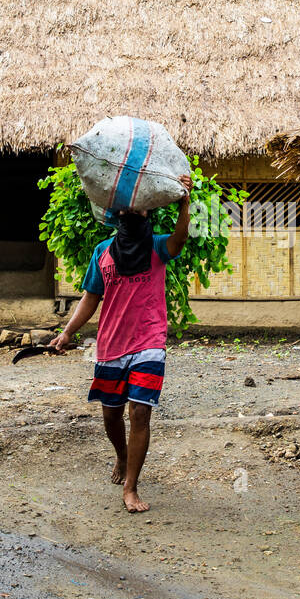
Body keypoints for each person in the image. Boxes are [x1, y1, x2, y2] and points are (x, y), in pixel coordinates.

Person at [49, 173, 193, 512]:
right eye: (129, 211)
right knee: (111, 417)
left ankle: (131, 487)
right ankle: (122, 455)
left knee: (140, 412)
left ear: (149, 214)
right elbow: (90, 298)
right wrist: (68, 331)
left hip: (149, 342)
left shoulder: (158, 247)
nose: (134, 215)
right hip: (111, 345)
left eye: (141, 210)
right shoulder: (103, 252)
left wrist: (185, 203)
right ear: (118, 215)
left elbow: (180, 241)